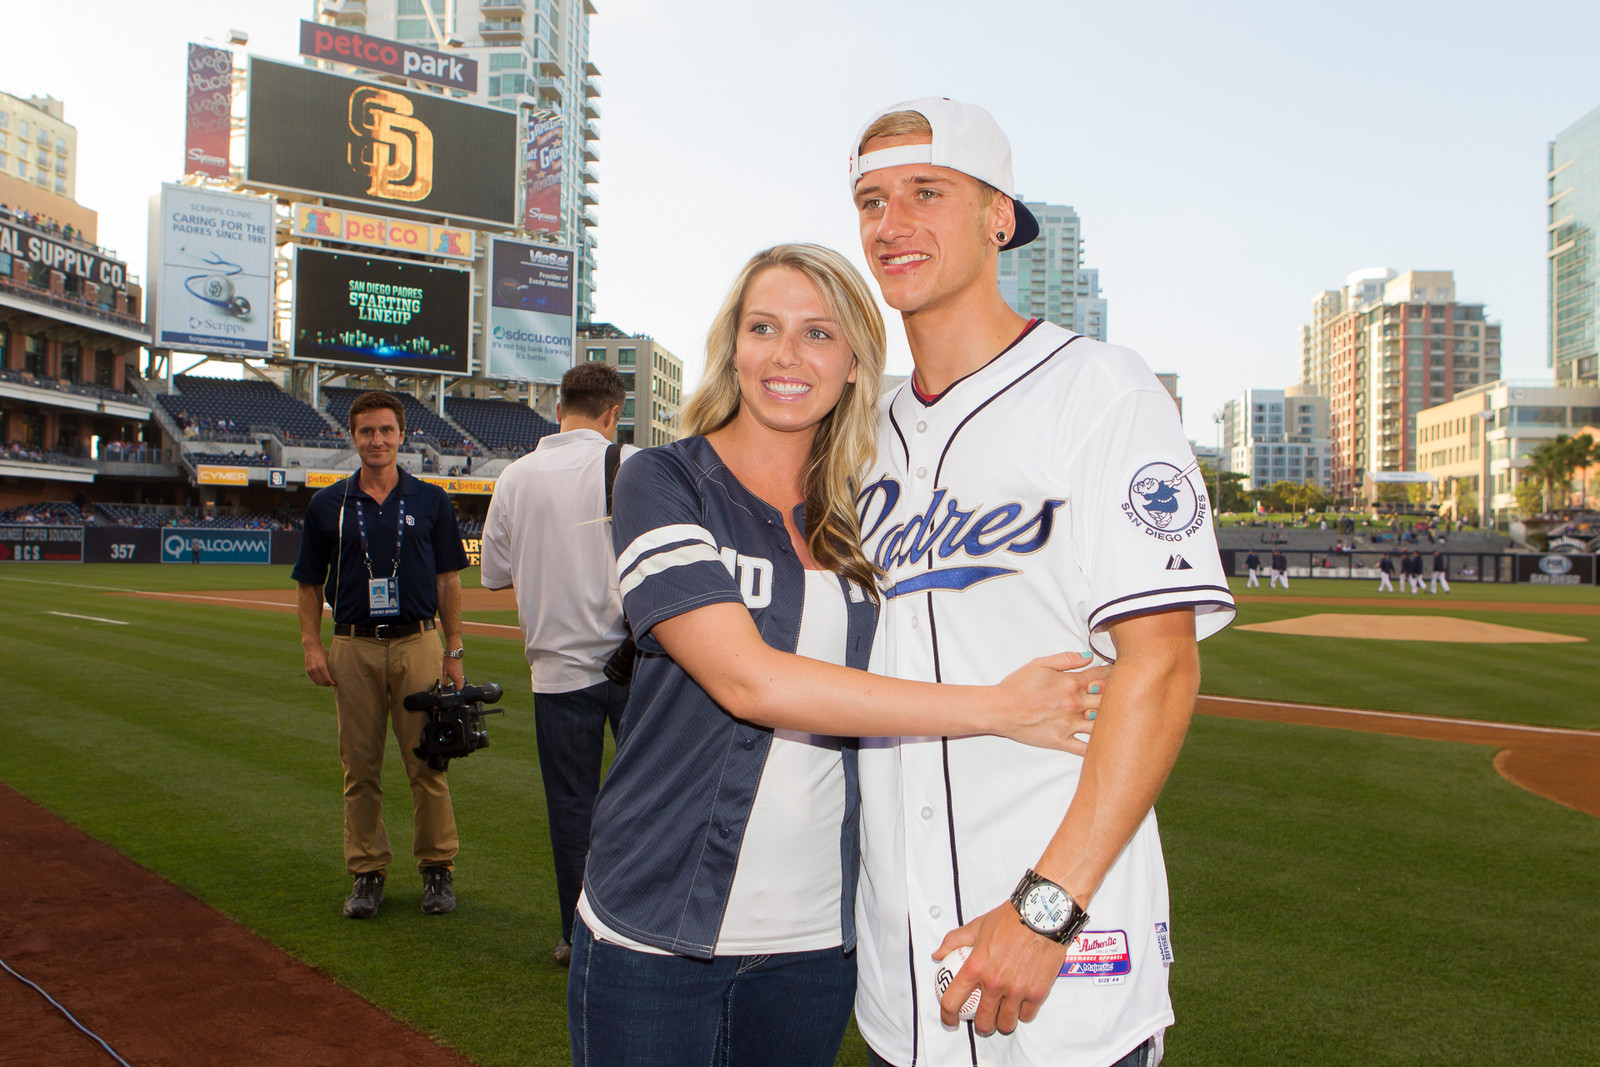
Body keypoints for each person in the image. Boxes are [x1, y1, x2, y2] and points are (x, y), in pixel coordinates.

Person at [568, 244, 1104, 1067]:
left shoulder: (867, 512)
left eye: (818, 333)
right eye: (764, 328)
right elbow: (748, 680)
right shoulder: (663, 481)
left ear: (855, 361)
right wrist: (998, 707)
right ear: (733, 347)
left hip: (820, 940)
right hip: (654, 919)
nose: (786, 355)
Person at [846, 98, 1236, 1067]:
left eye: (925, 193)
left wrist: (1045, 905)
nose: (891, 224)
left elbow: (1161, 664)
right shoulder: (862, 430)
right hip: (902, 971)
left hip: (1064, 952)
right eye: (870, 200)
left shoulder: (1101, 389)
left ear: (997, 217)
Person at [479, 362, 636, 967]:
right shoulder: (630, 462)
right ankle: (643, 927)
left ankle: (578, 937)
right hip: (632, 664)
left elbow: (493, 575)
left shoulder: (515, 477)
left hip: (557, 671)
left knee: (573, 806)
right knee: (649, 796)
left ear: (559, 407)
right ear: (612, 413)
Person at [293, 390, 470, 919]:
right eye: (367, 431)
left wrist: (454, 650)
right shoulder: (329, 504)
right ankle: (367, 872)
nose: (377, 440)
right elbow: (308, 583)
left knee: (428, 762)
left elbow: (448, 581)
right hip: (353, 645)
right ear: (353, 437)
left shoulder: (430, 499)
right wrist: (311, 643)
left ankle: (437, 869)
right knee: (360, 766)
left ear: (401, 435)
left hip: (418, 641)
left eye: (386, 431)